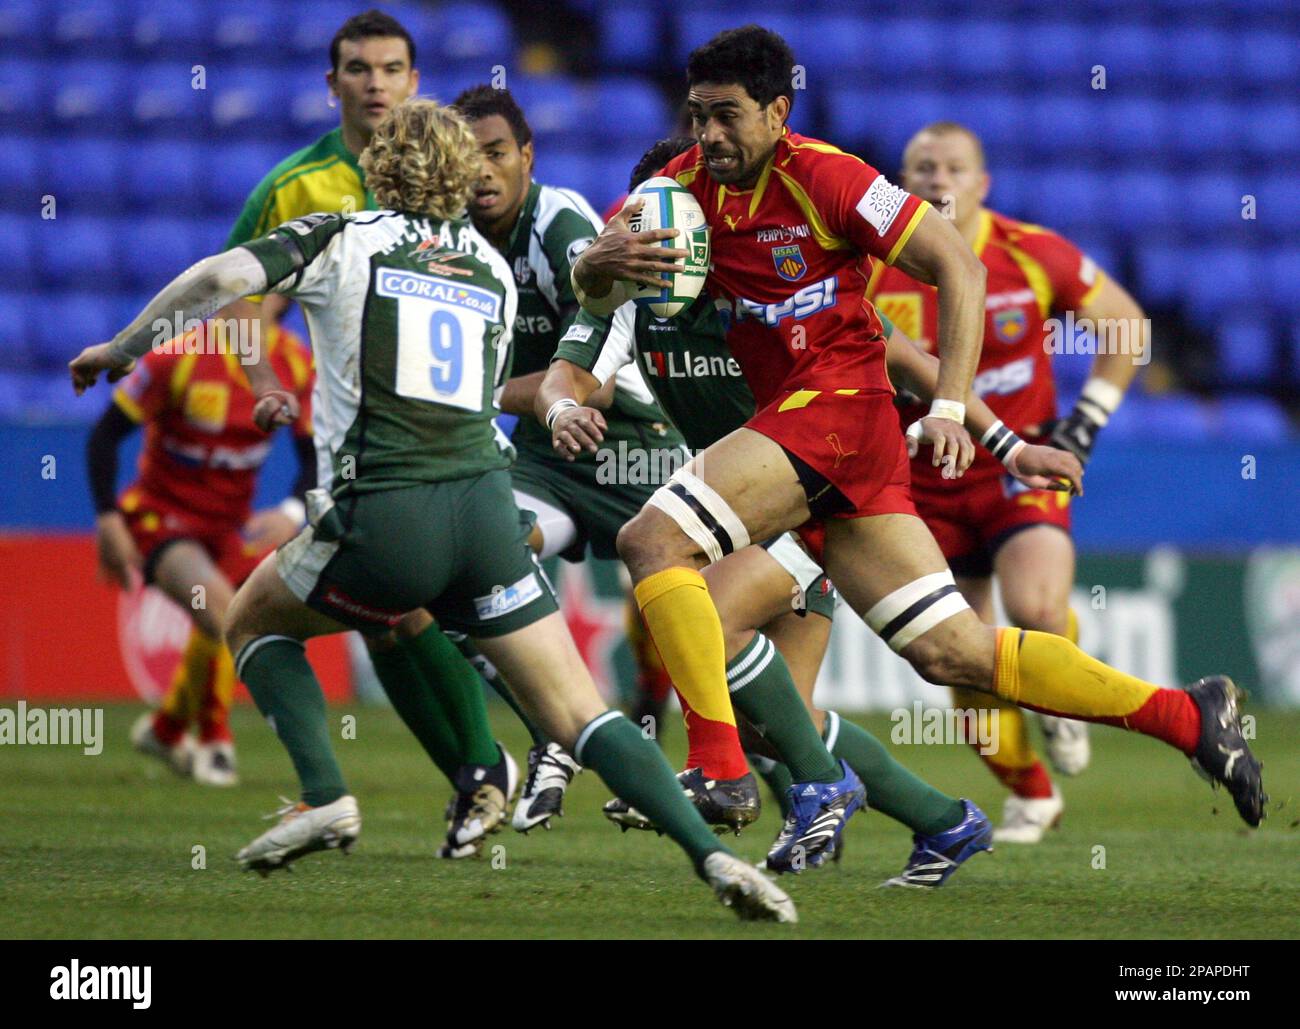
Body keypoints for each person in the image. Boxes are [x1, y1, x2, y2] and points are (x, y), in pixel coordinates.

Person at [70, 99, 795, 923]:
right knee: (580, 712)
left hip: (388, 513)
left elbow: (218, 280)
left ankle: (323, 795)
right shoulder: (487, 272)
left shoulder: (340, 237)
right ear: (457, 175)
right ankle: (715, 858)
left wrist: (121, 350)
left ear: (380, 163)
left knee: (248, 621)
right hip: (487, 515)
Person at [570, 26, 1265, 833]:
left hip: (836, 416)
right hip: (829, 451)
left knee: (652, 541)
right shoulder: (679, 190)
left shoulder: (832, 178)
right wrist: (597, 263)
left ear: (777, 110)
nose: (710, 135)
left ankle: (718, 769)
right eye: (697, 116)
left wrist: (953, 411)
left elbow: (958, 268)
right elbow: (595, 280)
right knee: (955, 653)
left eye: (727, 115)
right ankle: (1190, 714)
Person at [540, 136, 1082, 882]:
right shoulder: (644, 302)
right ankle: (941, 819)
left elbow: (918, 367)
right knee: (778, 721)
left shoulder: (769, 289)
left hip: (811, 499)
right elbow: (575, 374)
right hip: (743, 512)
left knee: (712, 627)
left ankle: (784, 783)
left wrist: (1011, 447)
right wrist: (561, 402)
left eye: (662, 230)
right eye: (637, 233)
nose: (653, 246)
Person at [223, 8, 521, 858]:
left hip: (437, 437)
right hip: (351, 432)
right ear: (334, 84)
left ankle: (463, 770)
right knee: (390, 611)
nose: (376, 83)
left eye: (392, 68)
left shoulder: (448, 176)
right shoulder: (295, 184)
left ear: (414, 81)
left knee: (386, 605)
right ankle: (479, 770)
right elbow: (245, 303)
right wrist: (265, 381)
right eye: (358, 69)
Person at [449, 85, 728, 834]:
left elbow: (595, 375)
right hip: (547, 459)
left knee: (735, 659)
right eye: (466, 156)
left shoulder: (562, 225)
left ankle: (825, 783)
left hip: (635, 448)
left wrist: (476, 391)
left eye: (496, 153)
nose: (481, 171)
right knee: (462, 569)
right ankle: (556, 733)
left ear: (527, 157)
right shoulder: (451, 243)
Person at [868, 121, 1151, 842]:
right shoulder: (874, 270)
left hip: (1018, 469)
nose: (939, 180)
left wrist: (1084, 422)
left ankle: (1059, 702)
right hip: (925, 487)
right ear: (901, 185)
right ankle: (1032, 793)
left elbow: (1124, 324)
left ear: (982, 183)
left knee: (1036, 605)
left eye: (954, 168)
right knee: (957, 655)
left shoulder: (1029, 252)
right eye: (922, 167)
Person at [86, 316, 314, 786]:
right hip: (160, 518)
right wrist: (109, 518)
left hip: (230, 528)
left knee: (239, 618)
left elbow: (316, 453)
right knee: (219, 607)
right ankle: (214, 741)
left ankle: (167, 728)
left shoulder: (294, 362)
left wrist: (292, 512)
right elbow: (104, 436)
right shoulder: (181, 354)